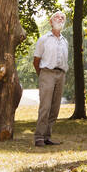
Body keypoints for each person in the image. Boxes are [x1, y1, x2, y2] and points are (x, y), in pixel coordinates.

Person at [31, 11, 70, 146]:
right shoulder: (43, 39)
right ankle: (39, 137)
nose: (60, 19)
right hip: (47, 73)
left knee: (55, 107)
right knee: (45, 106)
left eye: (62, 18)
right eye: (57, 17)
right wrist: (42, 76)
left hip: (61, 74)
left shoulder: (65, 41)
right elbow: (36, 61)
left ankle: (47, 136)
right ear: (50, 21)